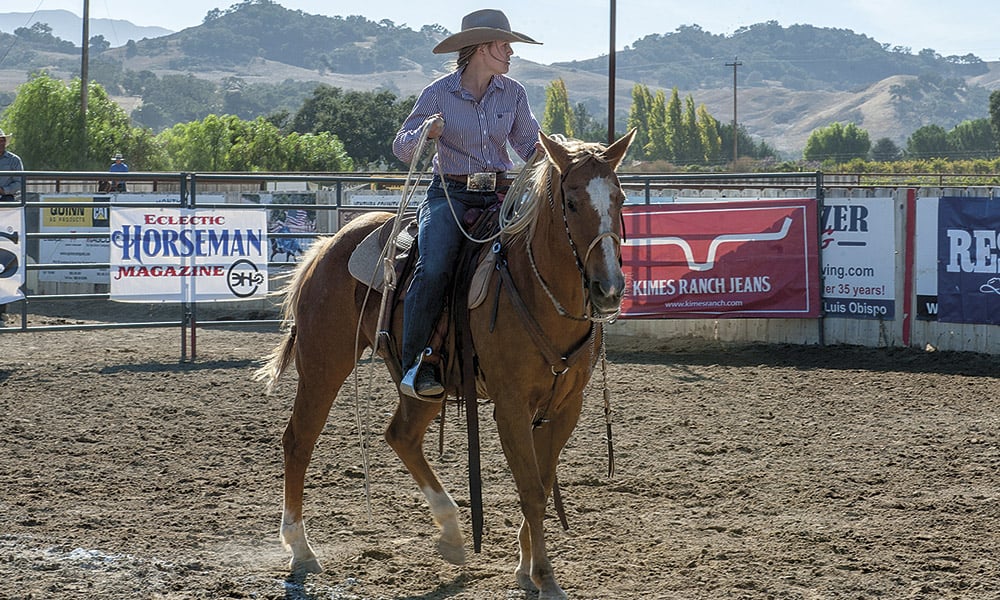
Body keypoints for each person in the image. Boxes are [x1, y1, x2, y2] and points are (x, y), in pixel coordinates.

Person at [392, 9, 542, 400]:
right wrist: (425, 132)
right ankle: (417, 364)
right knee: (435, 265)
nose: (511, 52)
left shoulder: (514, 93)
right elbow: (402, 147)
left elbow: (530, 146)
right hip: (450, 195)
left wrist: (565, 157)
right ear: (481, 48)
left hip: (501, 194)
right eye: (504, 44)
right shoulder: (438, 93)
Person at [0, 128, 23, 202]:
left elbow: (19, 182)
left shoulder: (14, 160)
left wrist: (3, 190)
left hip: (6, 196)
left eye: (2, 140)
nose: (1, 143)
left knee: (8, 201)